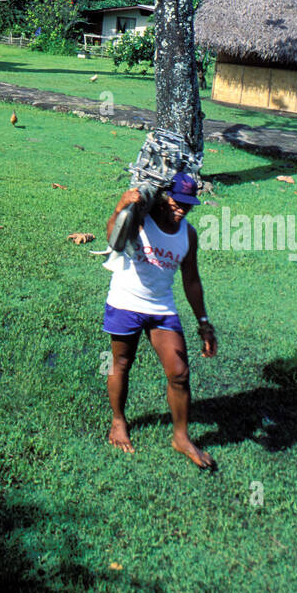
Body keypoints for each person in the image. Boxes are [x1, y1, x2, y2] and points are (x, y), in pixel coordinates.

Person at [103, 172, 217, 469]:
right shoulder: (143, 217)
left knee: (179, 372)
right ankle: (118, 421)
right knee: (121, 363)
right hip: (126, 300)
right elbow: (113, 240)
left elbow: (191, 280)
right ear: (165, 197)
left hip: (161, 306)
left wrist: (204, 323)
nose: (182, 209)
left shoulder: (188, 234)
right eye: (177, 202)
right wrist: (120, 207)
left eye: (188, 205)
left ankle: (181, 436)